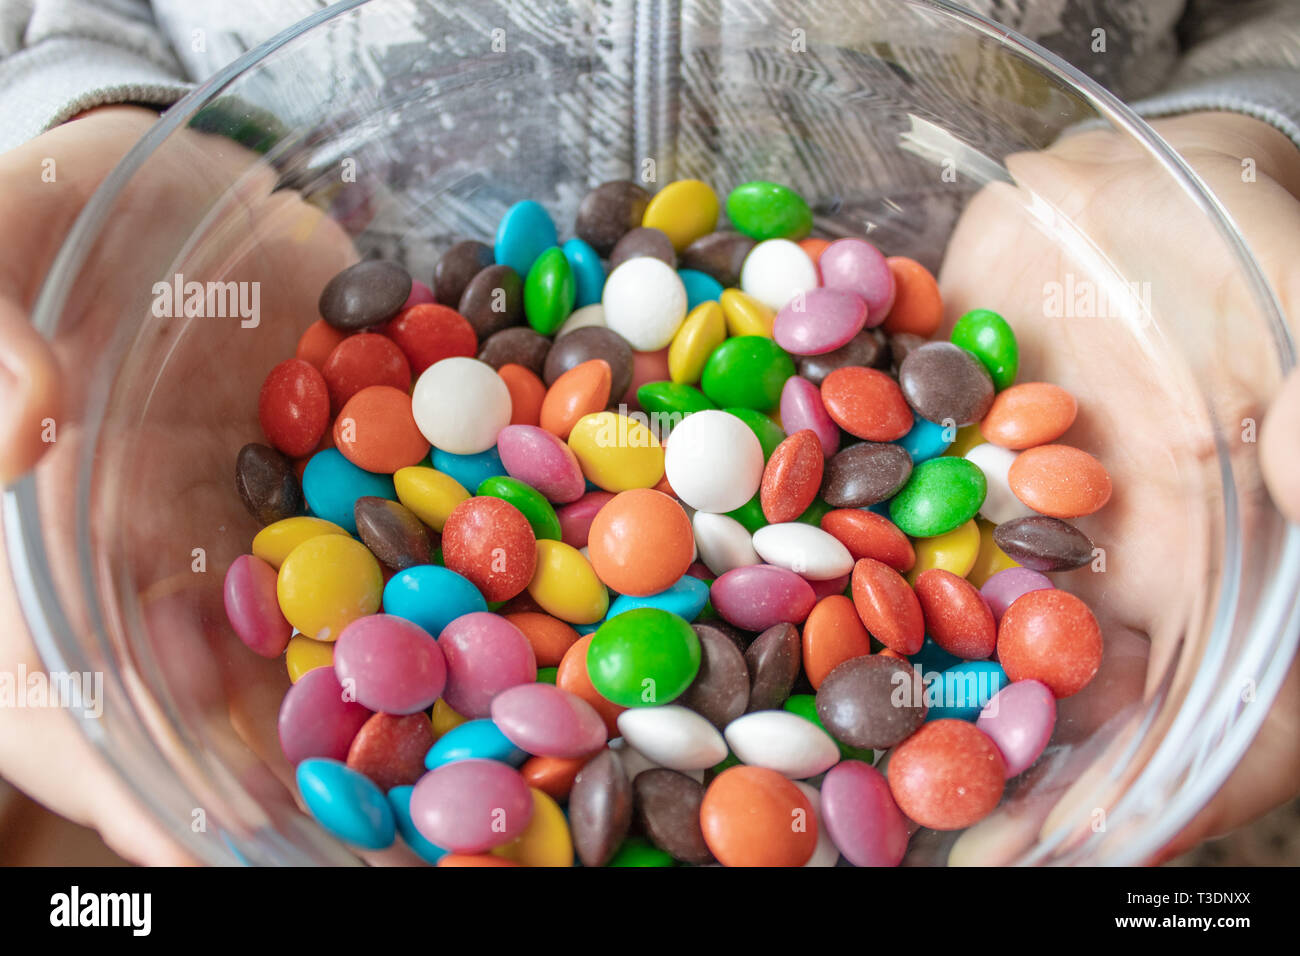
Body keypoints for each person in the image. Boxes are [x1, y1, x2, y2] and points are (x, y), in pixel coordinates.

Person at [0, 0, 1297, 865]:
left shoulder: (843, 490)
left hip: (1025, 341)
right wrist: (85, 133)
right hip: (272, 281)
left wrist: (1241, 154)